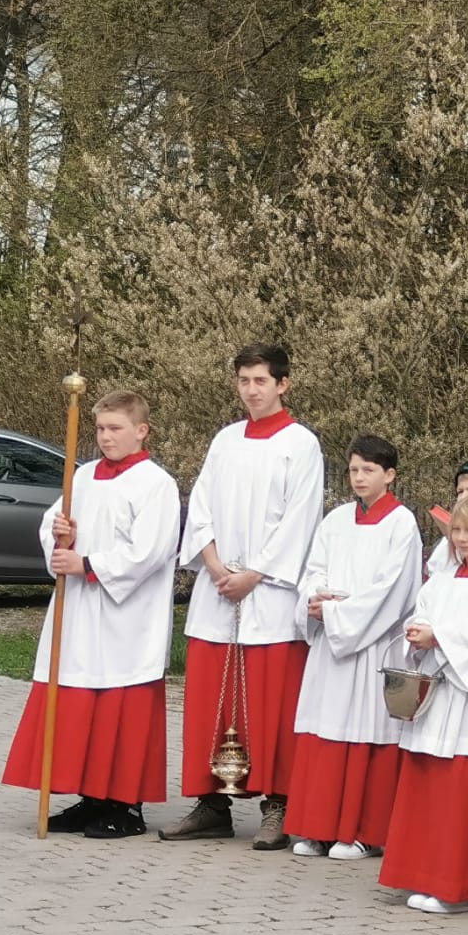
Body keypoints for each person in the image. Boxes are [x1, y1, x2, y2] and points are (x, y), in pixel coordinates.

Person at [162, 342, 325, 848]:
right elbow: (203, 504)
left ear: (283, 384)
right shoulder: (226, 440)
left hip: (269, 596)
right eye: (243, 381)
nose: (251, 390)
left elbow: (300, 519)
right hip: (218, 590)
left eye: (261, 381)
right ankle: (211, 805)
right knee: (213, 698)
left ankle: (278, 804)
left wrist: (255, 573)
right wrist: (212, 564)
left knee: (271, 701)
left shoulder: (302, 444)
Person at [1, 390, 181, 838]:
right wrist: (60, 535)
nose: (105, 437)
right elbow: (53, 523)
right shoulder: (80, 478)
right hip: (80, 612)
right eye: (100, 428)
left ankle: (125, 804)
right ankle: (92, 798)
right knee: (80, 702)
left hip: (126, 617)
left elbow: (151, 551)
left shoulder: (156, 484)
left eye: (115, 428)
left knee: (122, 706)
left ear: (141, 430)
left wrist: (88, 564)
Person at [378, 493, 468, 913]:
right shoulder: (444, 575)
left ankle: (464, 887)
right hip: (436, 698)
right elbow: (420, 611)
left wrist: (438, 638)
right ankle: (422, 875)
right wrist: (418, 633)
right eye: (456, 530)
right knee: (429, 788)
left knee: (465, 792)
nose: (460, 539)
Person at [286, 435, 422, 860]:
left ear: (390, 475)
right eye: (353, 470)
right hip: (330, 647)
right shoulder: (336, 520)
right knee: (323, 732)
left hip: (371, 647)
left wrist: (340, 614)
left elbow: (394, 590)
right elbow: (313, 570)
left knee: (366, 735)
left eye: (368, 470)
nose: (359, 478)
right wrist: (315, 600)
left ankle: (361, 831)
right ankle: (317, 827)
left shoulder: (402, 524)